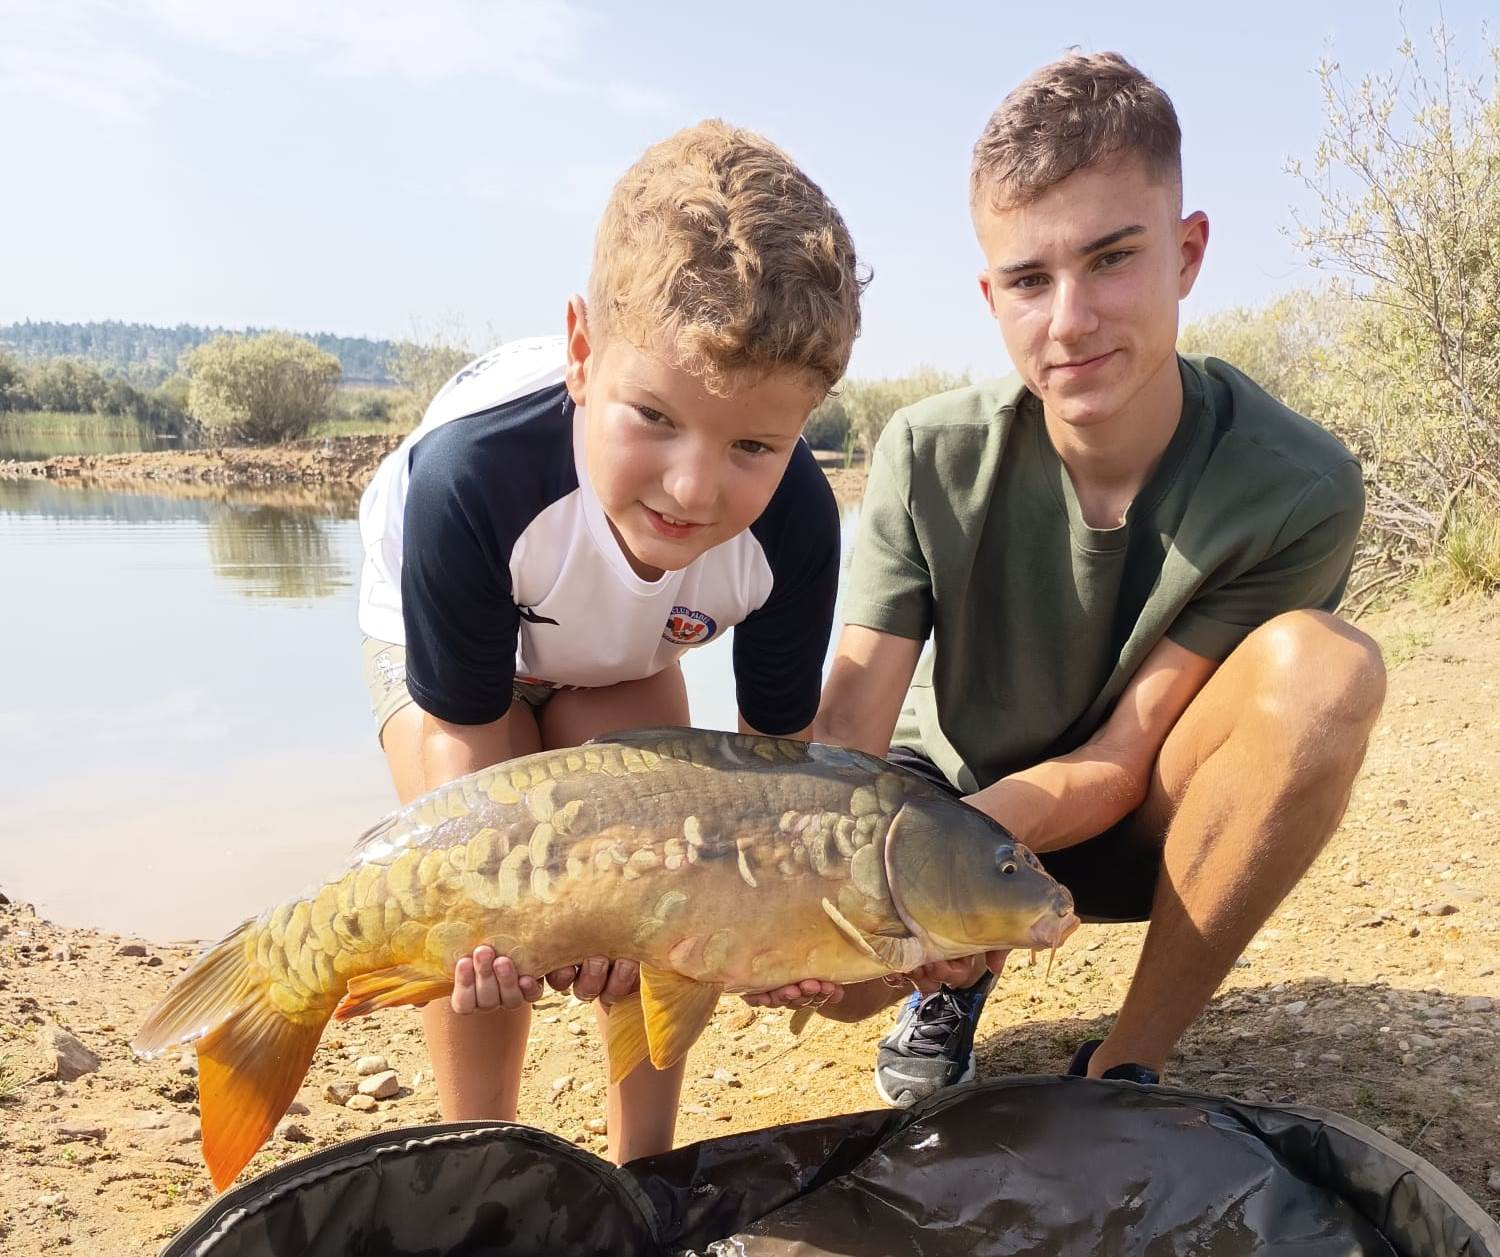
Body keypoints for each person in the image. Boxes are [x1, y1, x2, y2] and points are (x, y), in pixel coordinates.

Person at [769, 51, 1385, 1108]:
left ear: (1187, 254)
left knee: (1326, 672)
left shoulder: (1298, 483)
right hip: (951, 806)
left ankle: (1127, 1062)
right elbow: (850, 726)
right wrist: (800, 891)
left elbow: (1118, 760)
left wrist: (959, 858)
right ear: (989, 293)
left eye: (1111, 259)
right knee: (827, 976)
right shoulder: (924, 454)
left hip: (1140, 819)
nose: (1069, 320)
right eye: (1028, 279)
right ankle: (946, 981)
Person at [355, 119, 865, 1160]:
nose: (692, 489)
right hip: (461, 646)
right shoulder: (471, 481)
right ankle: (479, 1159)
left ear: (804, 426)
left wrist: (772, 927)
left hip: (624, 655)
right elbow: (473, 780)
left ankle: (649, 1168)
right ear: (583, 353)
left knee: (673, 879)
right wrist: (537, 920)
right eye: (655, 417)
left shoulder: (798, 526)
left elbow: (772, 784)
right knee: (486, 900)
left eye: (754, 446)